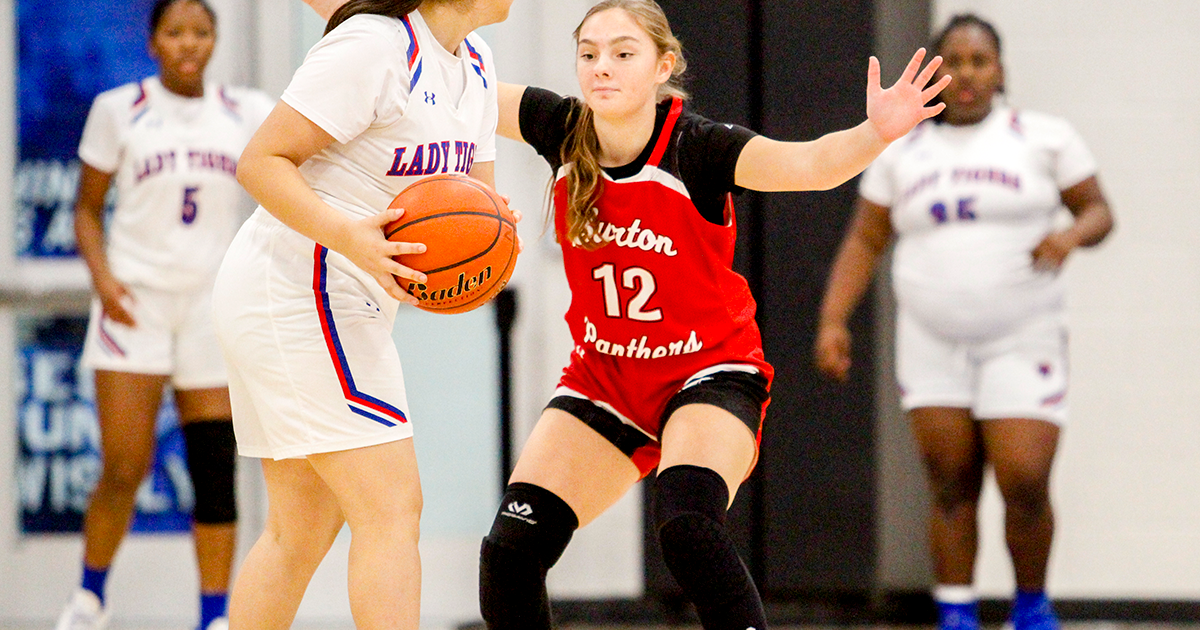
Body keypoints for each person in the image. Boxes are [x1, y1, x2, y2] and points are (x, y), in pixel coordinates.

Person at [476, 1, 949, 628]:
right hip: (605, 378)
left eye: (623, 53)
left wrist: (876, 133)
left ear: (662, 65)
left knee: (688, 526)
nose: (602, 67)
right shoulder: (560, 128)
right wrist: (371, 24)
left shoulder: (697, 148)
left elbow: (808, 166)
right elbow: (458, 89)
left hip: (709, 371)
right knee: (510, 551)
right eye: (588, 53)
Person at [210, 0, 510, 628]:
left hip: (340, 296)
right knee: (393, 506)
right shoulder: (375, 47)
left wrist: (477, 266)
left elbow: (474, 207)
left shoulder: (476, 65)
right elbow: (260, 161)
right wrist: (351, 237)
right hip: (300, 286)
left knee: (300, 531)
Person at [814, 13, 1114, 630]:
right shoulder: (903, 151)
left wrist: (1069, 236)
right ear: (935, 74)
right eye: (954, 62)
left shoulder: (1043, 138)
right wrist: (832, 319)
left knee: (1024, 479)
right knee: (950, 484)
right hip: (932, 342)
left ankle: (1031, 609)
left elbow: (1099, 211)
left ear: (1000, 69)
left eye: (980, 60)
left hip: (1021, 335)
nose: (968, 74)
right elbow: (865, 240)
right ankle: (957, 615)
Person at [57, 2, 274, 630]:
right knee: (125, 467)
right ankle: (90, 597)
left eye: (201, 33)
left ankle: (214, 616)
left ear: (215, 40)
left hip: (209, 307)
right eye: (175, 33)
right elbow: (85, 209)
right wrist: (104, 282)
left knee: (213, 468)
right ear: (153, 42)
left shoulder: (246, 112)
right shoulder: (118, 109)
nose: (189, 44)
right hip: (137, 305)